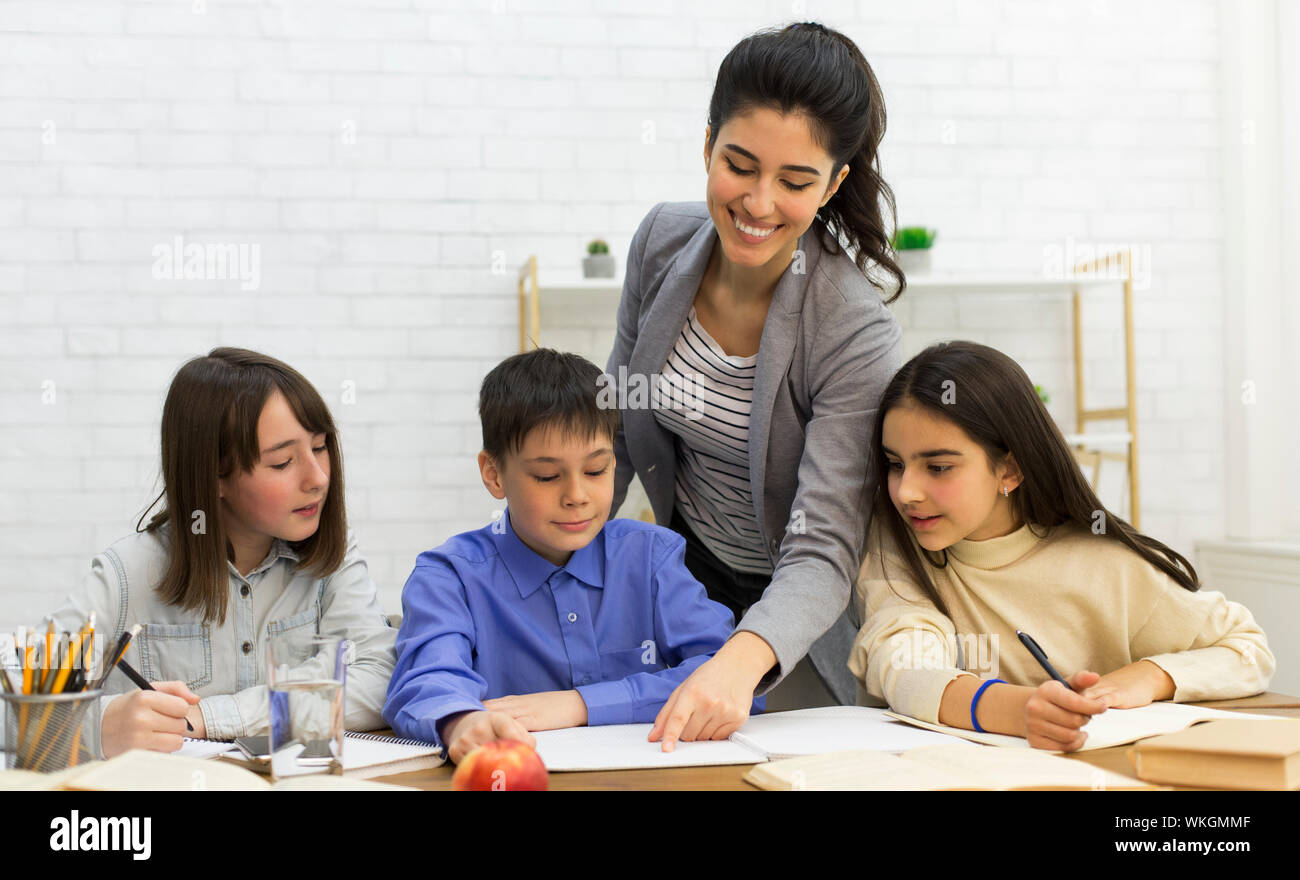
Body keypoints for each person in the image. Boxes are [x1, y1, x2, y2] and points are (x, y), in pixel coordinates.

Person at [606, 21, 904, 749]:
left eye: (796, 181)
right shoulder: (660, 243)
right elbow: (615, 424)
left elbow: (826, 542)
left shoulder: (854, 329)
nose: (760, 202)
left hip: (803, 616)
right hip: (689, 580)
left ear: (832, 183)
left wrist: (740, 660)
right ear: (707, 143)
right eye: (739, 164)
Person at [850, 341, 1275, 751]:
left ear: (1010, 469)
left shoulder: (1107, 563)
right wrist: (1017, 711)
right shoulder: (895, 549)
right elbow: (905, 670)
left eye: (938, 467)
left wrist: (1148, 676)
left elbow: (1246, 648)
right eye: (895, 464)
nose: (906, 492)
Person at [383, 349, 757, 763]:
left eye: (596, 471)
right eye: (547, 476)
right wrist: (462, 722)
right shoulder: (449, 577)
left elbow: (727, 679)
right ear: (493, 474)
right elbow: (429, 681)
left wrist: (580, 704)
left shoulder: (651, 557)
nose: (577, 496)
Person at [47, 348, 397, 757]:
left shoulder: (331, 559)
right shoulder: (126, 573)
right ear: (213, 475)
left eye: (319, 447)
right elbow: (14, 702)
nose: (318, 478)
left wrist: (210, 717)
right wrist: (101, 724)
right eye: (283, 462)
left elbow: (380, 679)